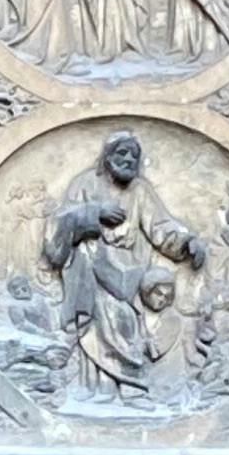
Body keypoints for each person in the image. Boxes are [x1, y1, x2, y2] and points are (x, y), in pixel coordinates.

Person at [41, 129, 206, 397]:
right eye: (122, 153)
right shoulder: (84, 184)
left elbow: (160, 227)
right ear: (107, 158)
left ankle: (130, 389)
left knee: (128, 322)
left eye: (134, 155)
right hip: (92, 272)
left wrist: (187, 243)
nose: (129, 159)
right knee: (101, 326)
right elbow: (61, 223)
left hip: (128, 273)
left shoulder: (140, 190)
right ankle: (102, 390)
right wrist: (95, 213)